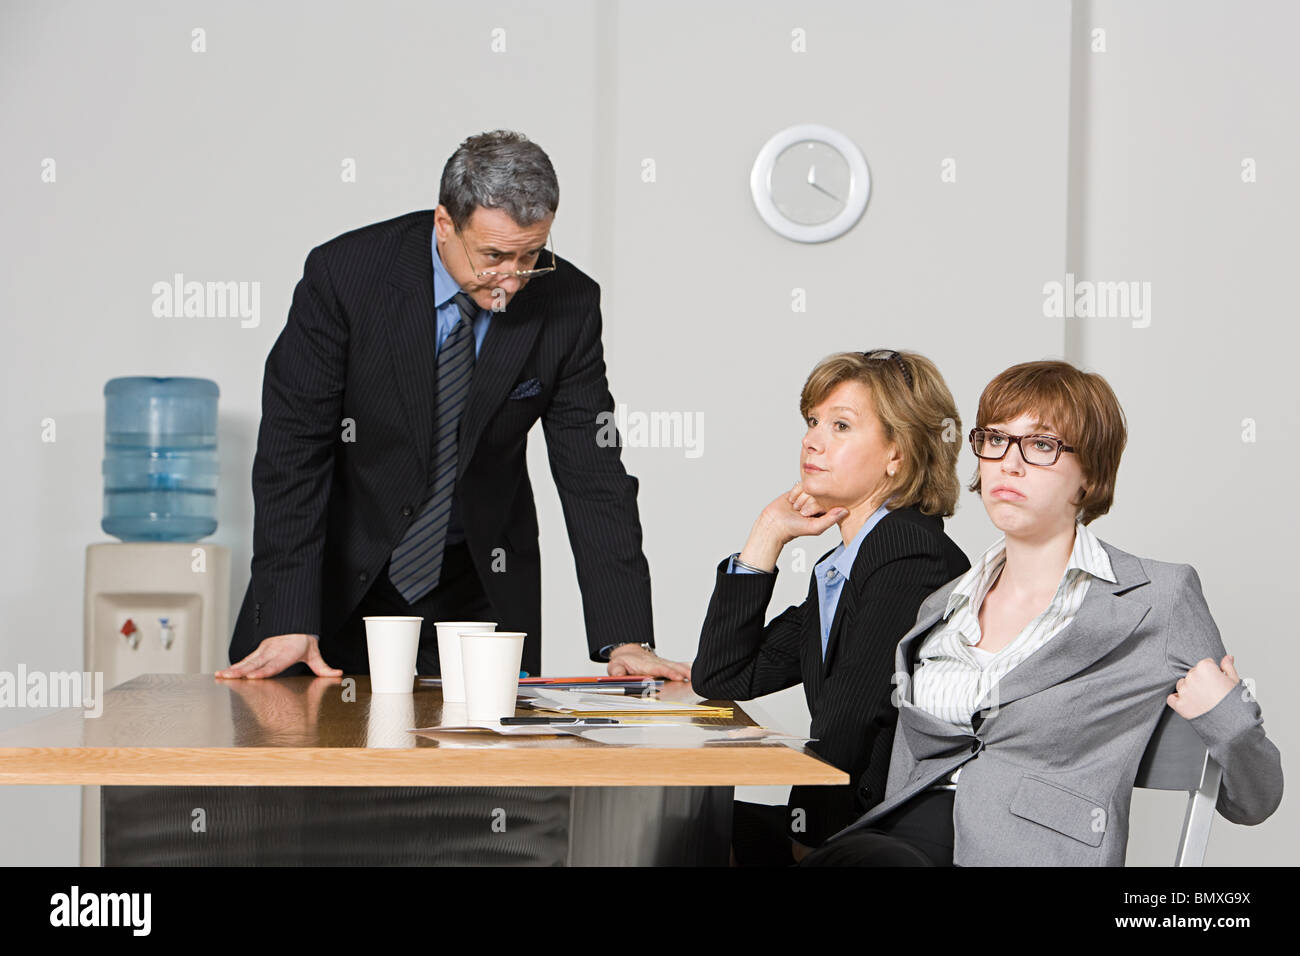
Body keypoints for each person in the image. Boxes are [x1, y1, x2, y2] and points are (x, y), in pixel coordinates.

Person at [221, 130, 690, 682]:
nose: (511, 280)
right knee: (314, 760)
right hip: (334, 580)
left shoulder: (569, 305)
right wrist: (288, 615)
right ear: (445, 223)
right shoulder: (345, 277)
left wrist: (625, 636)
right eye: (493, 256)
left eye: (529, 256)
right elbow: (292, 453)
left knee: (478, 767)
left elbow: (594, 474)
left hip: (477, 587)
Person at [802, 360, 1283, 866]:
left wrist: (1226, 715)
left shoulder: (1157, 597)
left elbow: (1256, 801)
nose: (1009, 464)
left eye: (1040, 445)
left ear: (1089, 474)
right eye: (995, 440)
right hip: (895, 839)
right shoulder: (942, 606)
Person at [693, 350, 970, 864]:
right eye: (813, 421)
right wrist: (768, 535)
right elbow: (723, 676)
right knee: (692, 824)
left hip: (879, 833)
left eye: (841, 425)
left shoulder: (907, 550)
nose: (811, 440)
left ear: (898, 454)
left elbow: (850, 724)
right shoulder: (848, 560)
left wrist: (807, 843)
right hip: (843, 816)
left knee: (689, 835)